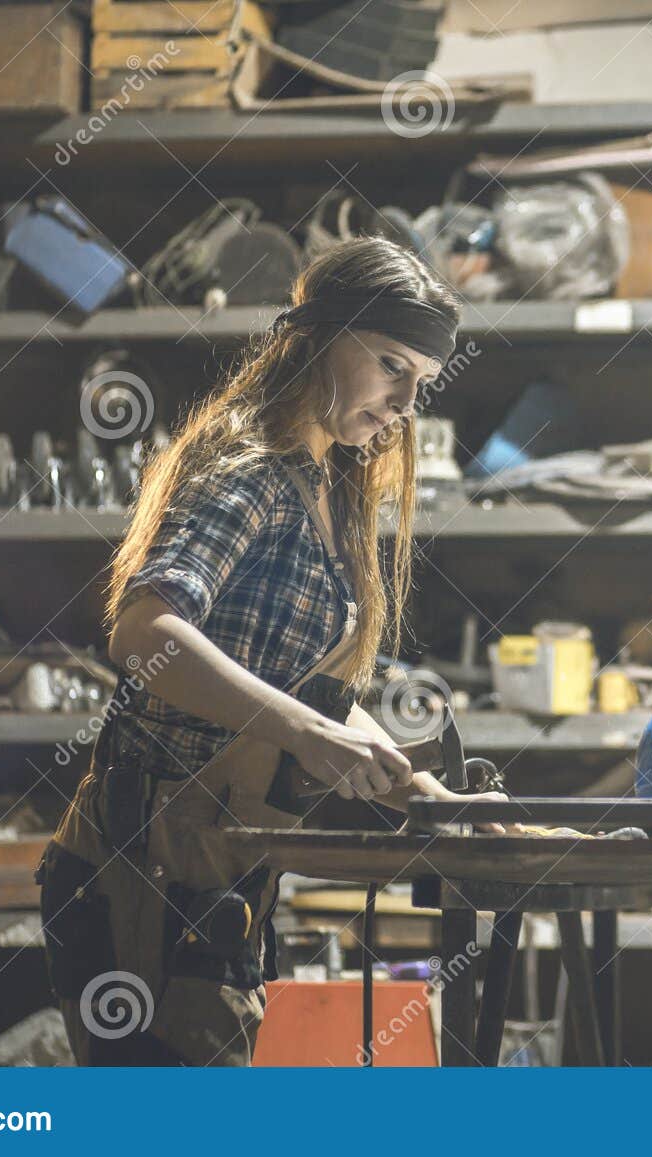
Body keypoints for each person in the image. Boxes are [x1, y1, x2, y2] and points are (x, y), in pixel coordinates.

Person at [38, 236, 488, 1065]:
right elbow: (144, 631)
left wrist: (427, 795)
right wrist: (309, 736)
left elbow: (310, 692)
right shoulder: (250, 470)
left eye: (419, 383)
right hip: (138, 873)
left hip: (215, 872)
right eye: (391, 364)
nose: (402, 402)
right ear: (318, 338)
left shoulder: (323, 482)